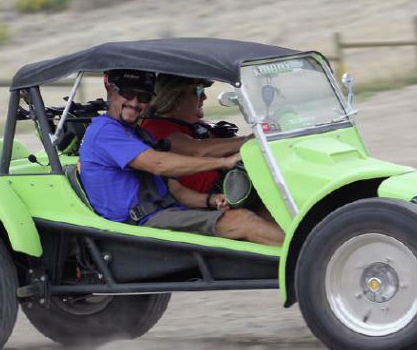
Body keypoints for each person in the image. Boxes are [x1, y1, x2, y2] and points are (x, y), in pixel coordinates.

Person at [78, 69, 284, 246]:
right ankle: (312, 258)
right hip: (139, 224)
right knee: (242, 220)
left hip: (165, 212)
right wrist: (223, 161)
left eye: (143, 97)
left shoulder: (137, 134)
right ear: (111, 90)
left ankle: (303, 256)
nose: (135, 102)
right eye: (129, 93)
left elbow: (173, 189)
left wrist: (210, 200)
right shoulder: (104, 132)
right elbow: (158, 164)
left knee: (262, 210)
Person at [141, 73, 252, 194]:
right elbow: (197, 150)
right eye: (198, 91)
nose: (204, 97)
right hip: (212, 200)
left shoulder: (196, 125)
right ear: (175, 98)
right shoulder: (156, 127)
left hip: (236, 185)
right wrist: (250, 139)